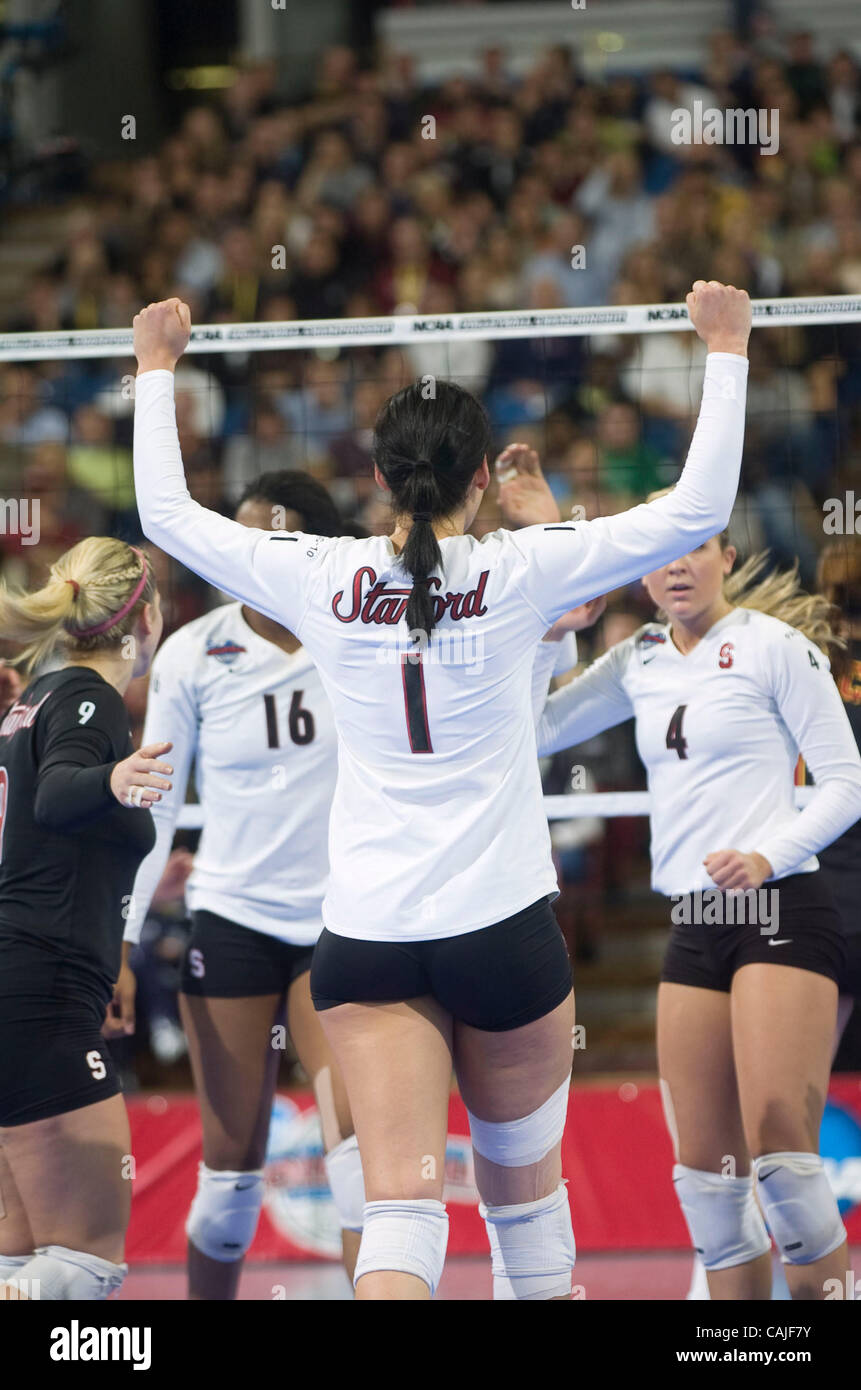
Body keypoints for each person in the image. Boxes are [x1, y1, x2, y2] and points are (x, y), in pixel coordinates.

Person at [131, 282, 751, 1301]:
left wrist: (157, 364)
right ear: (476, 477)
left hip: (367, 936)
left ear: (377, 474)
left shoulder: (320, 575)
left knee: (402, 1218)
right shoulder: (524, 568)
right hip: (501, 925)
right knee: (528, 1222)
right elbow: (698, 510)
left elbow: (165, 512)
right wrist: (726, 345)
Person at [531, 514, 861, 1300]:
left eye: (695, 551)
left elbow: (847, 782)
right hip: (693, 920)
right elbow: (538, 728)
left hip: (780, 908)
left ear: (727, 558)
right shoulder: (638, 659)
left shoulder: (775, 646)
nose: (676, 569)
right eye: (660, 558)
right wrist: (553, 631)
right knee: (707, 1185)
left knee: (783, 1161)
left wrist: (763, 854)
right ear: (641, 575)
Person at [124, 471, 365, 1298]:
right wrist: (121, 939)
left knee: (361, 1170)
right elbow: (156, 811)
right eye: (249, 541)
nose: (260, 558)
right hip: (232, 921)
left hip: (341, 926)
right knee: (228, 1183)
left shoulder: (360, 638)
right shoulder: (193, 653)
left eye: (281, 542)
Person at [0, 539, 173, 1299]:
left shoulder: (32, 695)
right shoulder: (86, 699)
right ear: (148, 620)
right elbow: (58, 797)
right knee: (81, 1265)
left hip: (21, 980)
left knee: (16, 1261)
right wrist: (111, 775)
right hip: (41, 988)